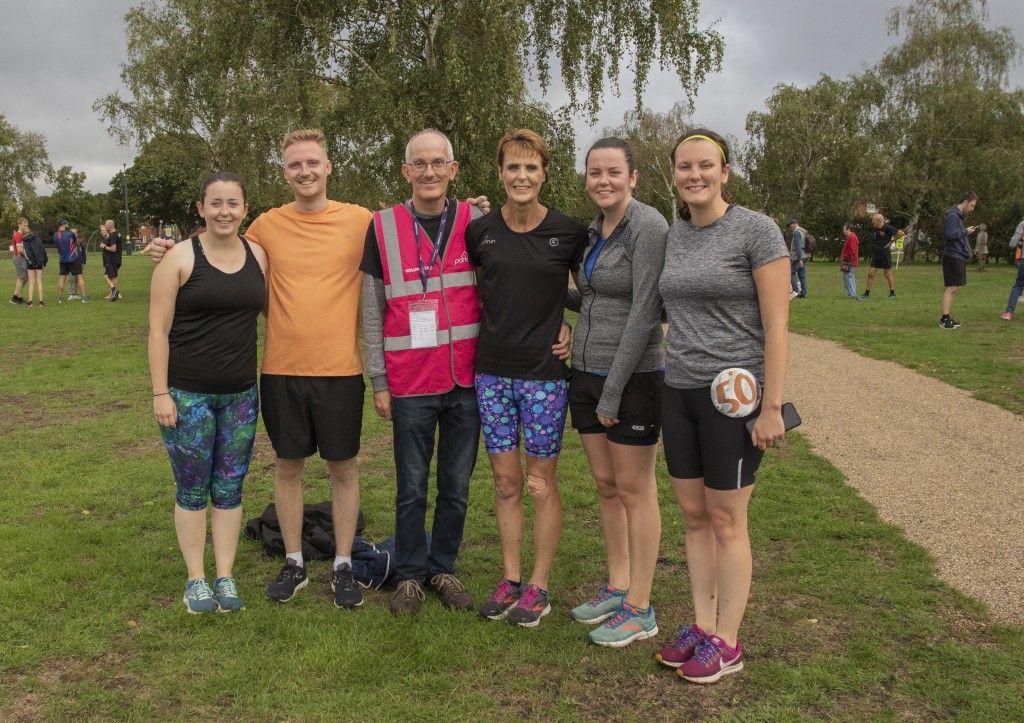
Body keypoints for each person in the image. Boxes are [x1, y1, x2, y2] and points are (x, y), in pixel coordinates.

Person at [654, 129, 789, 684]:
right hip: (678, 390)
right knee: (693, 517)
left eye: (705, 165)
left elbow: (778, 324)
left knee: (728, 521)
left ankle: (728, 642)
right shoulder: (675, 235)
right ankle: (703, 627)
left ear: (725, 171)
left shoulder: (756, 230)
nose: (695, 175)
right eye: (685, 167)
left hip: (734, 396)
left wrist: (772, 406)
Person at [360, 129, 486, 615]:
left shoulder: (477, 219)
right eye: (420, 163)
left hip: (468, 379)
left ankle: (443, 567)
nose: (429, 172)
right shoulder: (382, 226)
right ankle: (410, 575)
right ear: (406, 171)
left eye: (439, 163)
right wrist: (378, 381)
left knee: (456, 486)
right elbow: (372, 310)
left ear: (453, 170)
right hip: (410, 380)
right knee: (411, 487)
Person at [467, 128, 587, 628]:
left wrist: (573, 332)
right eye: (512, 167)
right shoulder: (480, 232)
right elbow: (473, 291)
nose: (521, 176)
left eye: (530, 167)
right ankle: (511, 578)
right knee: (504, 481)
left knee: (539, 483)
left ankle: (539, 586)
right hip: (492, 373)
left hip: (543, 378)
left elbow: (592, 295)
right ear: (499, 173)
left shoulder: (569, 231)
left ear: (544, 173)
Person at [149, 172, 268, 614]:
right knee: (193, 489)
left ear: (245, 209)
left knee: (230, 487)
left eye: (233, 203)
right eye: (215, 203)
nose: (224, 211)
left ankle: (225, 575)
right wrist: (161, 393)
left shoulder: (258, 254)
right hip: (187, 396)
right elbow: (158, 331)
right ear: (200, 208)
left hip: (241, 395)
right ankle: (196, 579)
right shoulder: (179, 258)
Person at [565, 137, 667, 648]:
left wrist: (612, 393)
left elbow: (645, 313)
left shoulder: (648, 227)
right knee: (607, 487)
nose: (602, 180)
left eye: (612, 172)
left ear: (633, 177)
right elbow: (591, 297)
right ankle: (618, 584)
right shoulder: (595, 229)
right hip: (584, 373)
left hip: (631, 381)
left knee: (634, 490)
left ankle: (641, 608)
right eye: (593, 172)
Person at [939, 192, 978, 330]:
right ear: (966, 201)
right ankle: (944, 319)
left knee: (954, 288)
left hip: (958, 255)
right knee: (952, 287)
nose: (972, 209)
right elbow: (950, 234)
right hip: (953, 255)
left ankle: (947, 317)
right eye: (972, 205)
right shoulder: (953, 216)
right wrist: (965, 231)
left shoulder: (959, 217)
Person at [859, 213, 901, 299]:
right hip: (876, 254)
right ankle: (866, 294)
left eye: (873, 220)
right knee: (870, 274)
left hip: (884, 254)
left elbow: (901, 233)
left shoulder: (887, 228)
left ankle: (892, 294)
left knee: (887, 274)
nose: (872, 222)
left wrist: (891, 242)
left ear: (879, 221)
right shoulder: (876, 229)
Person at [53, 220, 90, 304]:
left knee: (62, 278)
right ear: (64, 225)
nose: (68, 225)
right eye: (67, 224)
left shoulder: (55, 235)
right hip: (73, 258)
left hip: (62, 259)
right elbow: (76, 242)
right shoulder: (70, 233)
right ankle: (84, 298)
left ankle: (59, 299)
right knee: (79, 276)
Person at [999, 218, 1024, 320]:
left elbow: (1014, 241)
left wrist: (1013, 244)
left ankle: (1009, 312)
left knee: (1018, 285)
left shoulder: (1023, 223)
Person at [20, 218, 47, 307]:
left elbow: (27, 254)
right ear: (30, 232)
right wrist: (44, 261)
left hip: (31, 263)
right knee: (39, 281)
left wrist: (32, 262)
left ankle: (30, 302)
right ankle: (41, 302)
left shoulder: (24, 241)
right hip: (39, 262)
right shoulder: (37, 238)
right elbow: (43, 249)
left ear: (23, 234)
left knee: (31, 282)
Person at [98, 220, 123, 301]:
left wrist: (104, 246)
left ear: (110, 226)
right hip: (115, 259)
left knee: (112, 277)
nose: (105, 227)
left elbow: (113, 249)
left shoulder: (112, 235)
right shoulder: (118, 233)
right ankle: (115, 294)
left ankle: (116, 294)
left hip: (112, 259)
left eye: (106, 225)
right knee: (110, 276)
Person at [785, 218, 806, 299]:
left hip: (797, 257)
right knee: (802, 275)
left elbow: (798, 246)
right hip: (806, 255)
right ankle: (804, 292)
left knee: (791, 273)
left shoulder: (797, 233)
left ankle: (795, 291)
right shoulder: (804, 230)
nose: (791, 230)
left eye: (790, 228)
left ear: (793, 225)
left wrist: (799, 259)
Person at [10, 218, 28, 305]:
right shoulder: (18, 235)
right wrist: (29, 256)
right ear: (19, 225)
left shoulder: (21, 235)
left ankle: (16, 296)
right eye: (24, 225)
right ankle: (18, 298)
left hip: (21, 258)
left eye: (27, 225)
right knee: (22, 278)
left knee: (25, 278)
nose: (26, 226)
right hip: (19, 258)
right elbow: (20, 249)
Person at [840, 222, 859, 298]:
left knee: (847, 276)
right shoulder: (851, 237)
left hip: (849, 261)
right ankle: (852, 293)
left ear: (848, 229)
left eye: (844, 229)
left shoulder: (852, 237)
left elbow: (852, 251)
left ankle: (851, 294)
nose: (843, 231)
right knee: (849, 276)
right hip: (850, 260)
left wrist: (844, 257)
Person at [66, 227, 86, 300]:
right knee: (71, 278)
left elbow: (83, 253)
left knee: (78, 279)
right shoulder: (68, 243)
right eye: (73, 233)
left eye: (75, 233)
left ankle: (76, 293)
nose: (74, 234)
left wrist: (84, 261)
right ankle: (71, 294)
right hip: (71, 264)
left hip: (80, 263)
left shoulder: (80, 243)